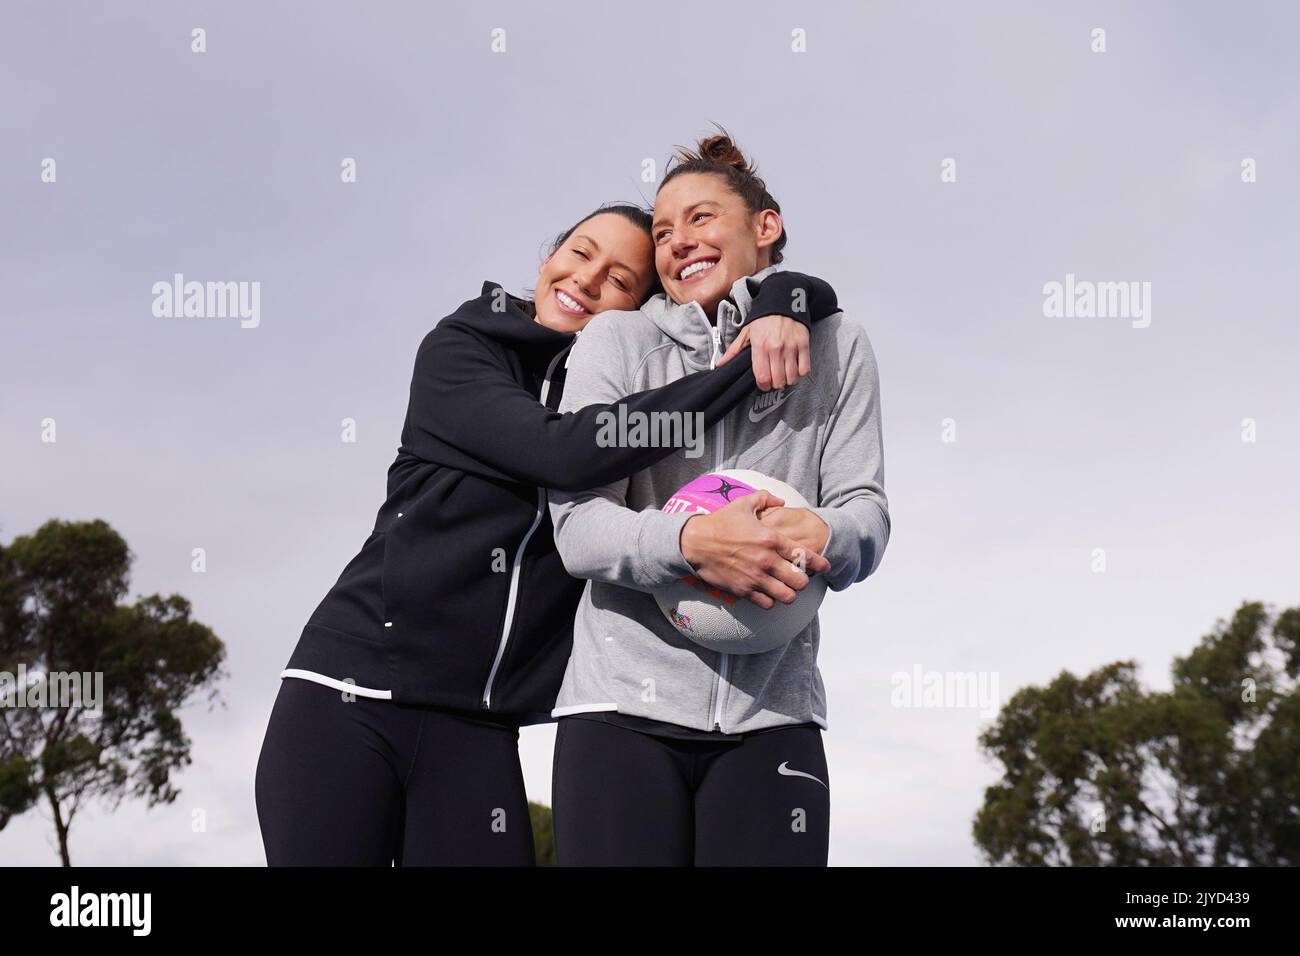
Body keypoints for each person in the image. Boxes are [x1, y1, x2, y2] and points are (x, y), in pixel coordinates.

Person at [254, 201, 840, 865]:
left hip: (479, 726)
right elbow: (566, 452)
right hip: (348, 697)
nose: (588, 280)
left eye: (620, 280)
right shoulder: (464, 349)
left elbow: (795, 293)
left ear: (637, 308)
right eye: (581, 252)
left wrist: (793, 296)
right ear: (547, 258)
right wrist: (745, 366)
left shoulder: (616, 380)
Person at [548, 133, 891, 866]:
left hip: (776, 716)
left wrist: (821, 534)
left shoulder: (839, 347)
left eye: (701, 218)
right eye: (664, 233)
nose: (678, 243)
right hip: (619, 711)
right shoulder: (615, 340)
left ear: (764, 227)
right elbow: (577, 528)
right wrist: (693, 545)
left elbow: (866, 508)